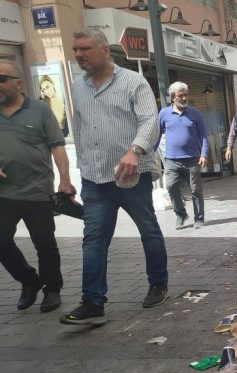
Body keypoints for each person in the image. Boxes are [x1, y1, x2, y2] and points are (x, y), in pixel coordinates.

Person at [62, 29, 167, 325]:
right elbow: (80, 128)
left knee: (148, 229)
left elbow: (150, 120)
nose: (79, 54)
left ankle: (158, 283)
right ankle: (93, 302)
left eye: (85, 48)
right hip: (95, 179)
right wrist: (78, 169)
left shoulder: (133, 82)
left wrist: (135, 150)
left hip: (132, 176)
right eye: (75, 49)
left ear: (105, 50)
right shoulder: (78, 86)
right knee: (93, 239)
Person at [0, 59, 75, 313]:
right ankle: (30, 281)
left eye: (1, 79)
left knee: (44, 243)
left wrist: (64, 179)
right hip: (3, 194)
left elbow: (57, 146)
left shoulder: (40, 111)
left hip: (37, 191)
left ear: (18, 83)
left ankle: (52, 290)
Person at [157, 81, 207, 230]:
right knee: (171, 186)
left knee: (195, 190)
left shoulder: (194, 113)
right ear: (173, 97)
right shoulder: (164, 113)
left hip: (192, 159)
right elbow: (157, 134)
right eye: (180, 95)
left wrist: (203, 154)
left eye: (186, 95)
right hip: (171, 160)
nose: (184, 98)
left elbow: (203, 135)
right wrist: (148, 152)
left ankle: (199, 218)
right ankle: (181, 214)